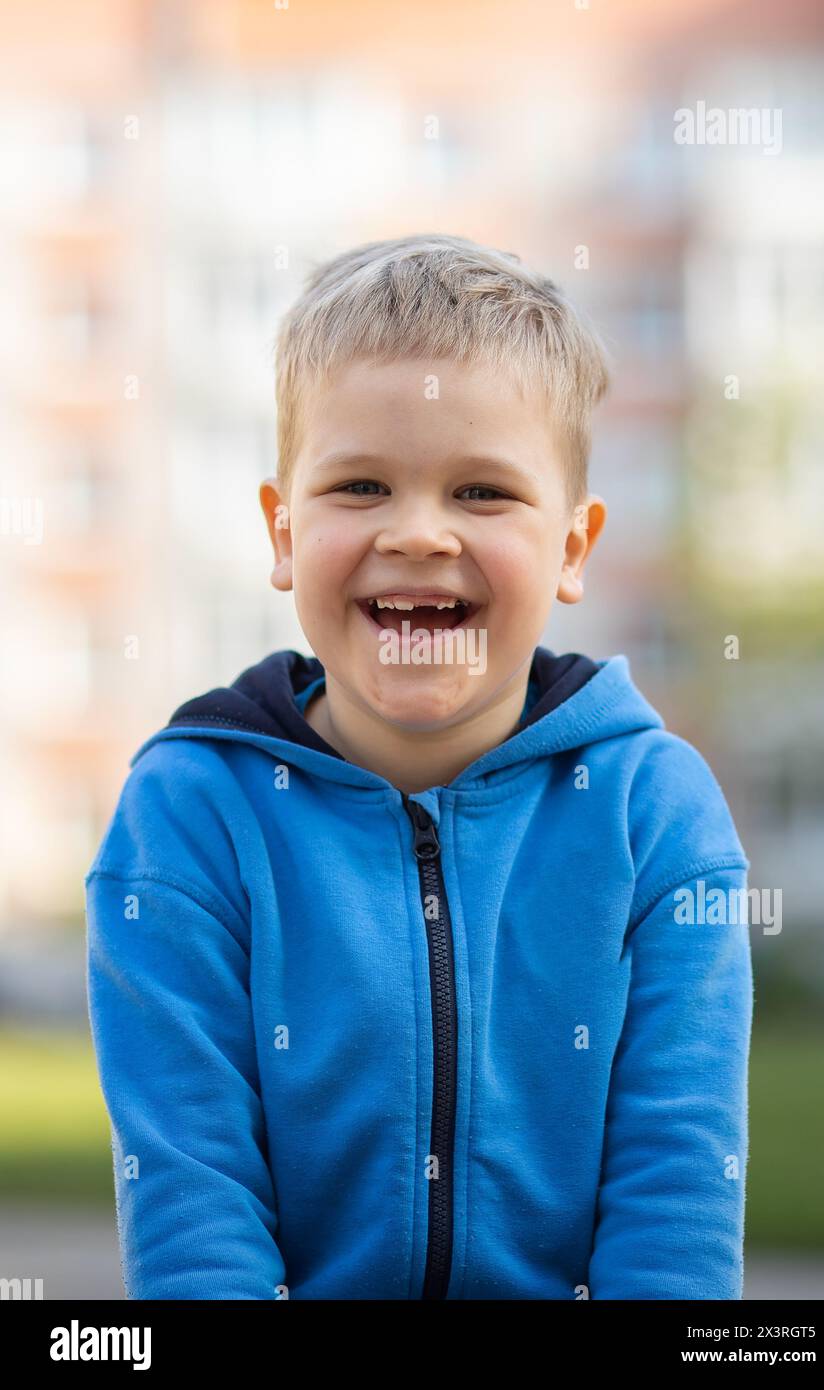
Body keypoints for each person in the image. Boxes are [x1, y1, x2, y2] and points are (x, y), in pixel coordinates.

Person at [85, 233, 753, 1300]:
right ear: (282, 529)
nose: (418, 533)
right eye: (359, 485)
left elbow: (675, 1191)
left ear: (574, 546)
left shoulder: (653, 814)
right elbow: (188, 1195)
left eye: (482, 493)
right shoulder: (189, 814)